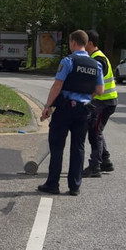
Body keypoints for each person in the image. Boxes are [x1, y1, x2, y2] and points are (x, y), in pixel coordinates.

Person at [38, 30, 104, 196]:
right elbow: (100, 90)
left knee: (57, 145)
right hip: (84, 110)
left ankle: (53, 184)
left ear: (73, 43)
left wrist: (48, 106)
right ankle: (75, 186)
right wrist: (87, 96)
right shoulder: (96, 65)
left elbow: (57, 86)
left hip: (65, 108)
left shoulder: (68, 61)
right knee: (78, 147)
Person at [82, 30, 117, 177]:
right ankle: (105, 161)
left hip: (103, 102)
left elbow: (97, 85)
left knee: (95, 133)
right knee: (97, 131)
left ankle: (95, 167)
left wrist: (85, 98)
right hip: (104, 102)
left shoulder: (98, 60)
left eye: (84, 43)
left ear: (90, 43)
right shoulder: (97, 57)